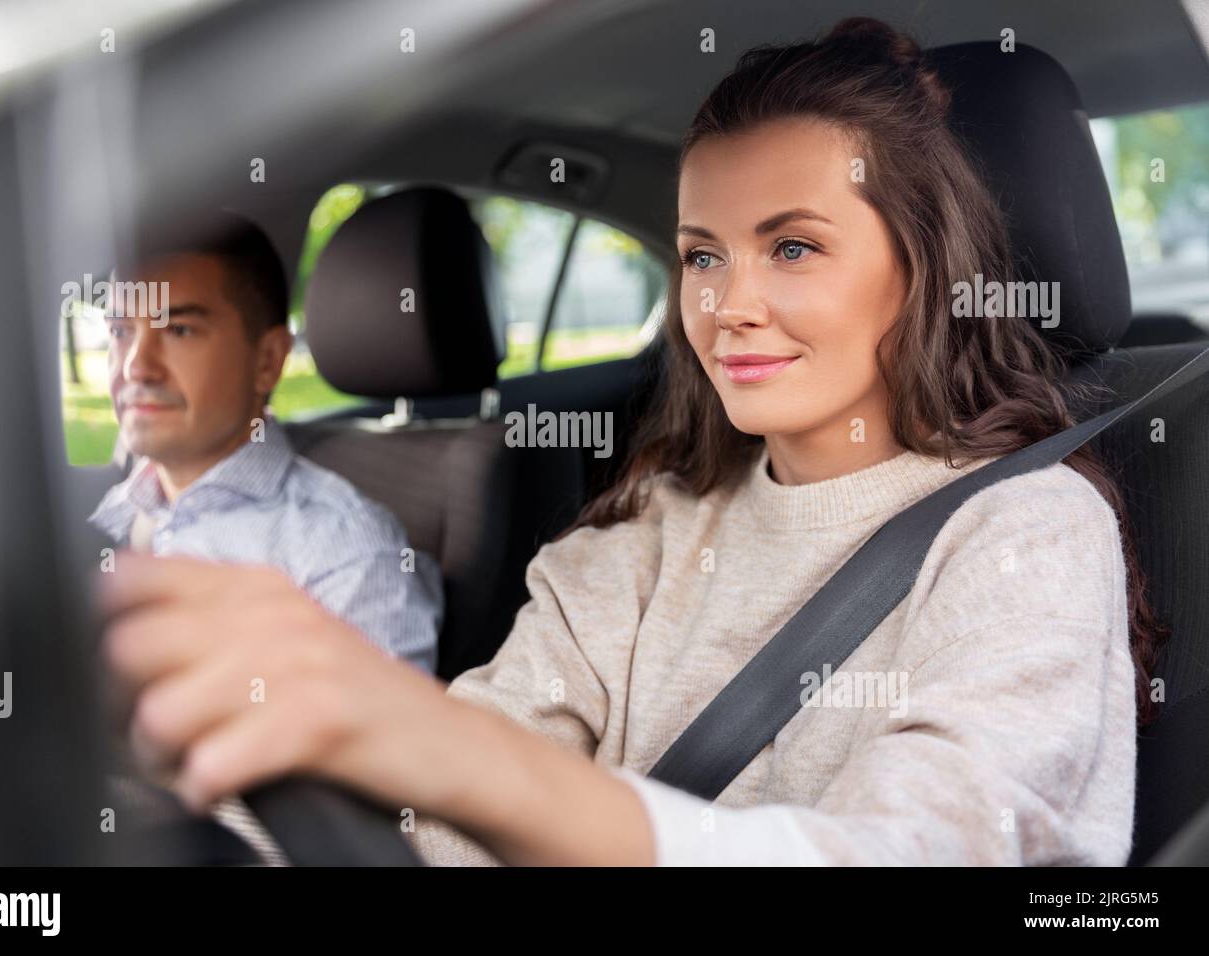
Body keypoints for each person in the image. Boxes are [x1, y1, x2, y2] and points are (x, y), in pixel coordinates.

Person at [99, 20, 1158, 865]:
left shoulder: (1026, 531)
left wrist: (443, 750)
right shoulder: (651, 526)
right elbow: (441, 821)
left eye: (792, 245)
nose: (727, 305)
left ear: (922, 269)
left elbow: (924, 849)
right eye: (702, 256)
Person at [90, 212, 441, 672]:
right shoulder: (110, 511)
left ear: (268, 360)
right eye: (120, 332)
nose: (136, 367)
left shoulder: (344, 553)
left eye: (179, 330)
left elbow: (387, 739)